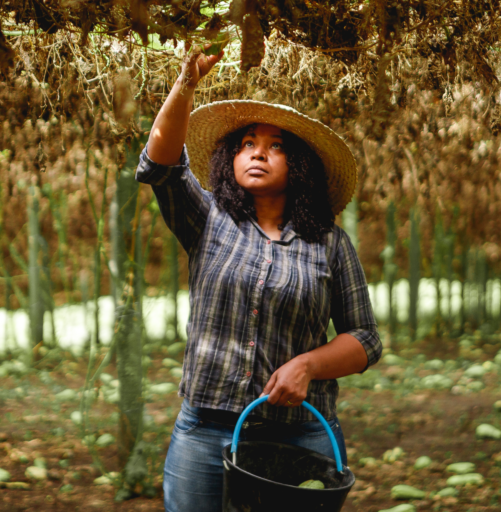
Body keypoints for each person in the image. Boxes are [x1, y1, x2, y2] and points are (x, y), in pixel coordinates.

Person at [135, 45, 382, 512]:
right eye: (247, 144)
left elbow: (365, 338)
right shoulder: (208, 219)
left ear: (299, 165)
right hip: (206, 430)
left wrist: (308, 366)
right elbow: (161, 164)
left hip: (300, 433)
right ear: (230, 158)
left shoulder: (329, 243)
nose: (259, 154)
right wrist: (185, 84)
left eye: (276, 146)